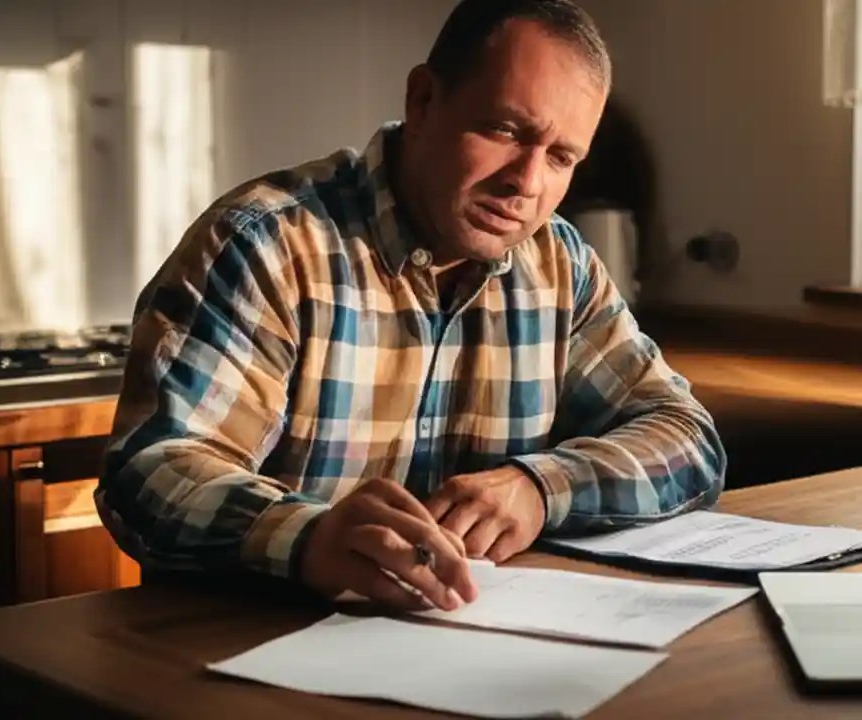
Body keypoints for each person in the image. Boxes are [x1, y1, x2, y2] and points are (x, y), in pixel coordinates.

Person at [95, 0, 725, 614]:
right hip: (231, 652)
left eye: (561, 157)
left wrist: (542, 488)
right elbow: (152, 470)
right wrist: (307, 537)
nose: (527, 184)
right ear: (423, 100)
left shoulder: (559, 264)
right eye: (506, 131)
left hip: (471, 648)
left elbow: (687, 437)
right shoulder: (270, 244)